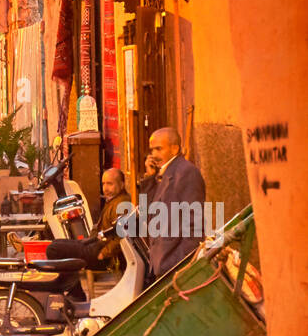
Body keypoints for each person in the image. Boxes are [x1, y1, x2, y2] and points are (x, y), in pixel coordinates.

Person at [46, 167, 132, 299]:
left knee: (54, 249)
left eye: (110, 183)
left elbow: (122, 236)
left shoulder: (122, 203)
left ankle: (75, 292)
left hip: (102, 254)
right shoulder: (114, 200)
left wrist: (104, 253)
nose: (105, 188)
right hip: (94, 245)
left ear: (121, 184)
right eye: (103, 184)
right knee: (57, 243)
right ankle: (75, 290)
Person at [146, 126, 206, 278]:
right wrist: (149, 179)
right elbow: (149, 213)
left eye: (159, 149)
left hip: (173, 266)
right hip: (161, 265)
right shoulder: (164, 173)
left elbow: (195, 226)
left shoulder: (186, 172)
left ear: (174, 149)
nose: (154, 155)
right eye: (152, 150)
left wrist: (177, 262)